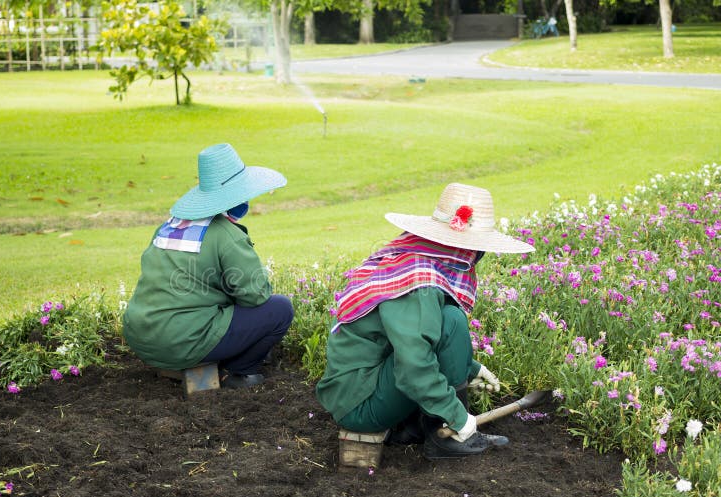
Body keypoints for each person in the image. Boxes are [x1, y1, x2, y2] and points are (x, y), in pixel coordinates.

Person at [316, 183, 534, 459]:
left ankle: (418, 425)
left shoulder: (415, 263)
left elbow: (411, 338)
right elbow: (412, 366)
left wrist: (470, 367)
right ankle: (445, 435)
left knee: (449, 318)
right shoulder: (419, 284)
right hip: (360, 406)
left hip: (362, 386)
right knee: (452, 320)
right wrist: (457, 415)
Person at [123, 143, 294, 389]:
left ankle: (190, 359)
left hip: (142, 336)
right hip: (183, 342)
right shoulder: (227, 235)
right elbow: (256, 295)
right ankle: (239, 372)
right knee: (279, 309)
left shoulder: (168, 226)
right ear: (237, 195)